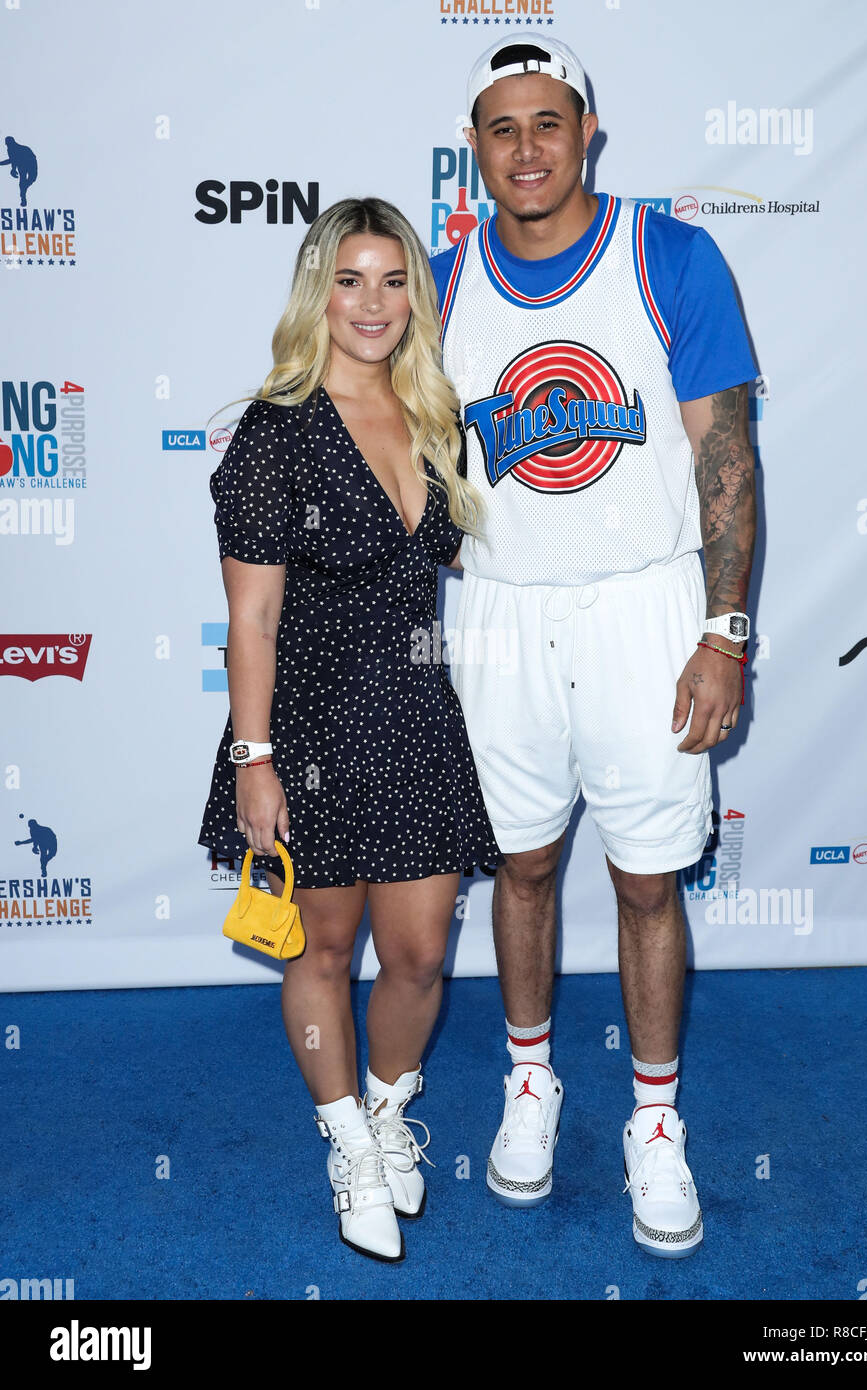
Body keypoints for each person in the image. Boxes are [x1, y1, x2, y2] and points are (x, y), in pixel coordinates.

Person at [430, 34, 758, 1257]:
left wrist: (724, 630)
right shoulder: (443, 280)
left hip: (646, 608)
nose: (527, 148)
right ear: (475, 148)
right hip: (504, 611)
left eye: (548, 123)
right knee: (519, 869)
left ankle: (656, 1121)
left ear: (588, 134)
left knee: (643, 880)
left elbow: (725, 457)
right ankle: (529, 1087)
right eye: (502, 128)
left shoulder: (668, 255)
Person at [197, 196, 499, 1263]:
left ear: (416, 293)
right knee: (325, 947)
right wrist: (254, 756)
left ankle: (384, 1114)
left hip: (417, 720)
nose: (371, 304)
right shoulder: (275, 432)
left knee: (418, 954)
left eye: (392, 280)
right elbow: (254, 616)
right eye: (348, 280)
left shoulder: (437, 417)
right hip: (309, 729)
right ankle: (345, 1144)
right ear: (314, 292)